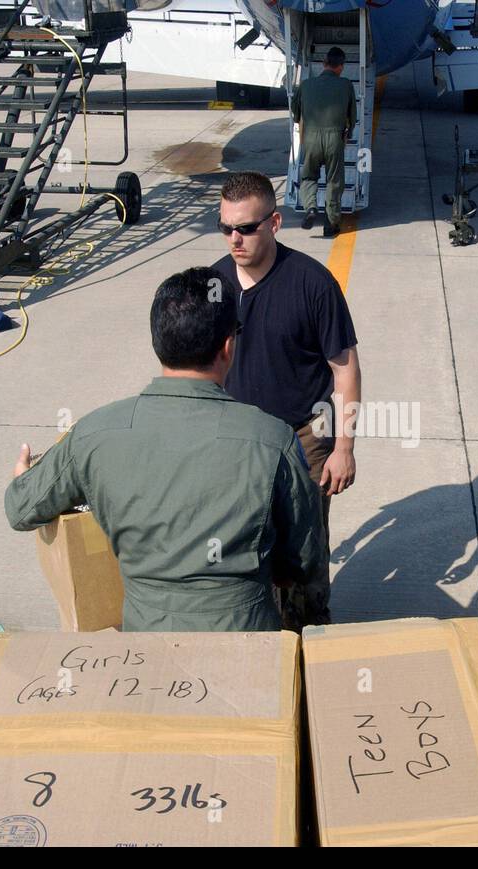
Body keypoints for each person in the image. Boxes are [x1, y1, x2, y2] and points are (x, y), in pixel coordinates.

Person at [4, 267, 325, 632]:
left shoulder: (95, 433)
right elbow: (305, 561)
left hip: (147, 649)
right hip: (247, 643)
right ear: (228, 347)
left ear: (158, 341)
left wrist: (24, 479)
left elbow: (21, 509)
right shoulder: (273, 438)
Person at [211, 171, 361, 628]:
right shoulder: (214, 284)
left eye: (246, 228)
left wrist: (344, 448)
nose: (235, 239)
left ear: (274, 223)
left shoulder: (312, 284)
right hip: (238, 438)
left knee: (305, 546)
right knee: (244, 538)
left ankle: (310, 632)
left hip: (304, 436)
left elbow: (345, 369)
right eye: (225, 228)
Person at [291, 46, 356, 238]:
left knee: (309, 176)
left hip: (311, 137)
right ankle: (331, 222)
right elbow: (352, 116)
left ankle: (311, 208)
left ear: (324, 64)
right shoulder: (346, 85)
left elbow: (296, 112)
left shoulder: (306, 84)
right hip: (334, 138)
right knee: (334, 181)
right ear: (341, 67)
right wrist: (348, 133)